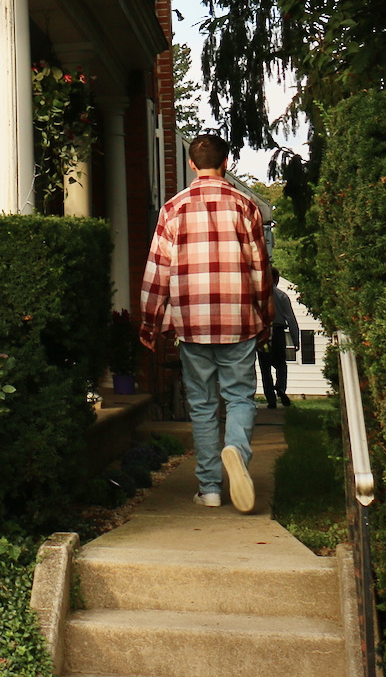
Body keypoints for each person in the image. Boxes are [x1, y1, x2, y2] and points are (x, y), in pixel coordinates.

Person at [137, 133, 275, 513]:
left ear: (193, 165)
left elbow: (157, 271)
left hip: (192, 323)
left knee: (201, 404)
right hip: (238, 321)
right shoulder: (245, 206)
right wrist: (265, 316)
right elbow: (260, 269)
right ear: (226, 163)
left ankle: (211, 488)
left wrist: (150, 324)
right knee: (241, 397)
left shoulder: (173, 209)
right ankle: (237, 451)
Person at [259, 209, 299, 409]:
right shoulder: (282, 296)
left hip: (264, 333)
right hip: (278, 332)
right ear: (276, 279)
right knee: (280, 364)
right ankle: (281, 386)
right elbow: (290, 318)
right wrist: (296, 339)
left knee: (265, 367)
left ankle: (271, 400)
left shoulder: (259, 295)